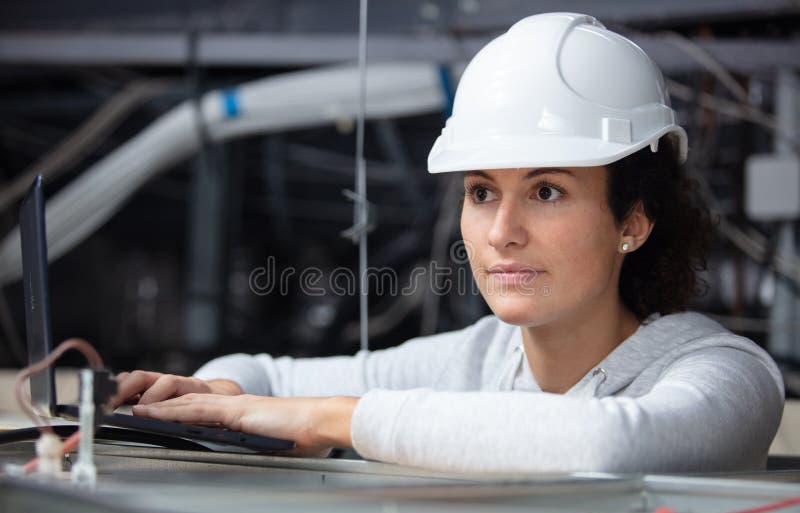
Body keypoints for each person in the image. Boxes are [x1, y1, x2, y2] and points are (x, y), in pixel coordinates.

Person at [113, 13, 784, 472]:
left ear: (633, 221)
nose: (500, 232)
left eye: (546, 190)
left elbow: (608, 443)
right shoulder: (482, 359)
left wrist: (329, 420)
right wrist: (210, 390)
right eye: (482, 191)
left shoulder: (728, 375)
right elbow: (271, 377)